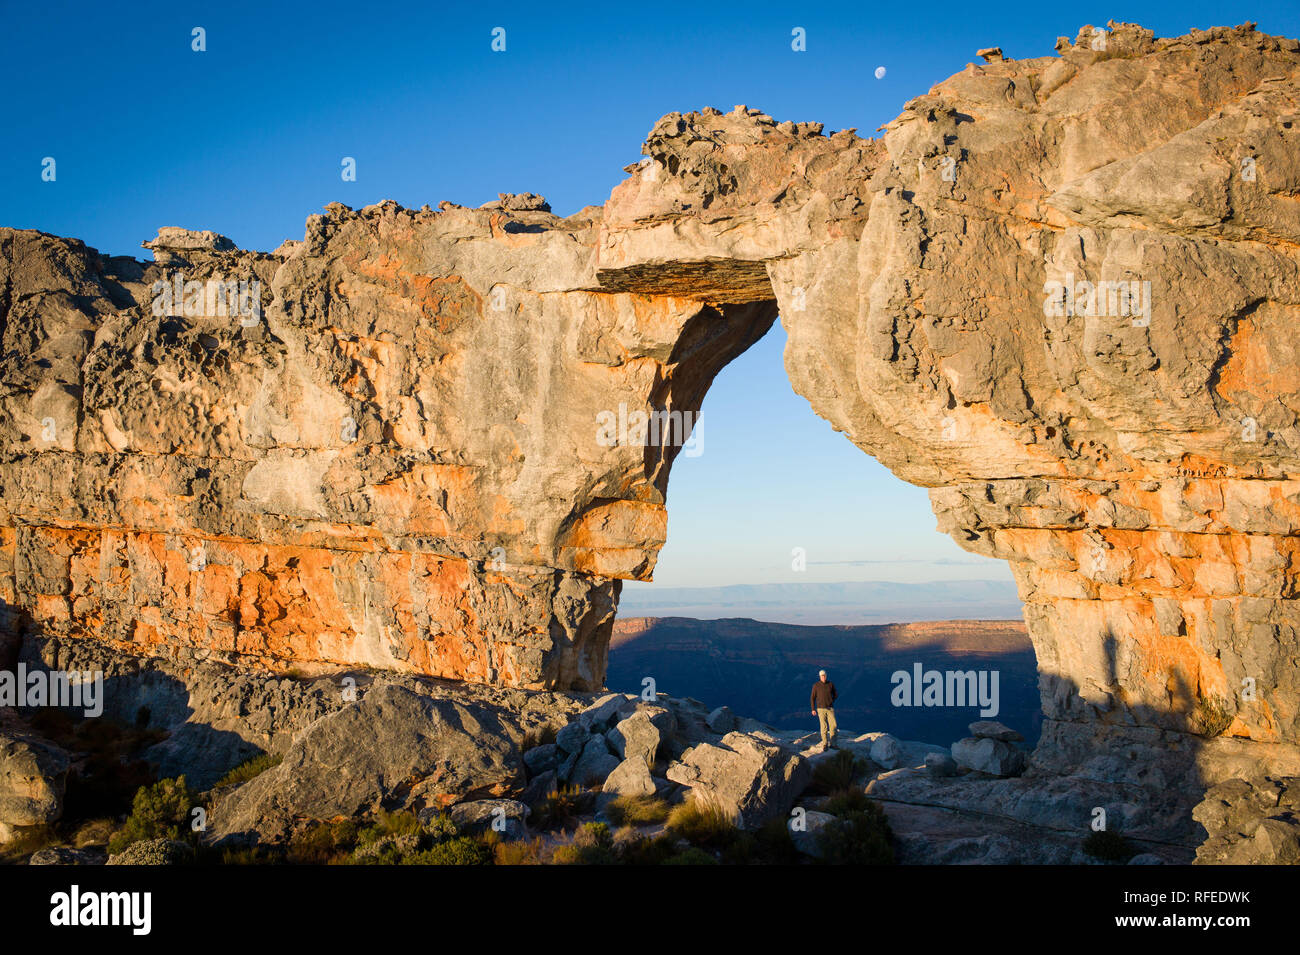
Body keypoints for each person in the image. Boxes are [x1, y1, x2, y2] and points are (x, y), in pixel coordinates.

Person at [810, 669, 838, 752]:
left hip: (830, 708)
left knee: (833, 726)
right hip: (820, 709)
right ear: (820, 676)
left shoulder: (830, 684)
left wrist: (831, 700)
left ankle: (833, 744)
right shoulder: (816, 685)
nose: (823, 677)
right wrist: (813, 709)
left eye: (824, 675)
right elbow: (812, 698)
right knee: (824, 726)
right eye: (822, 676)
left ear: (826, 676)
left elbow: (835, 694)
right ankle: (825, 744)